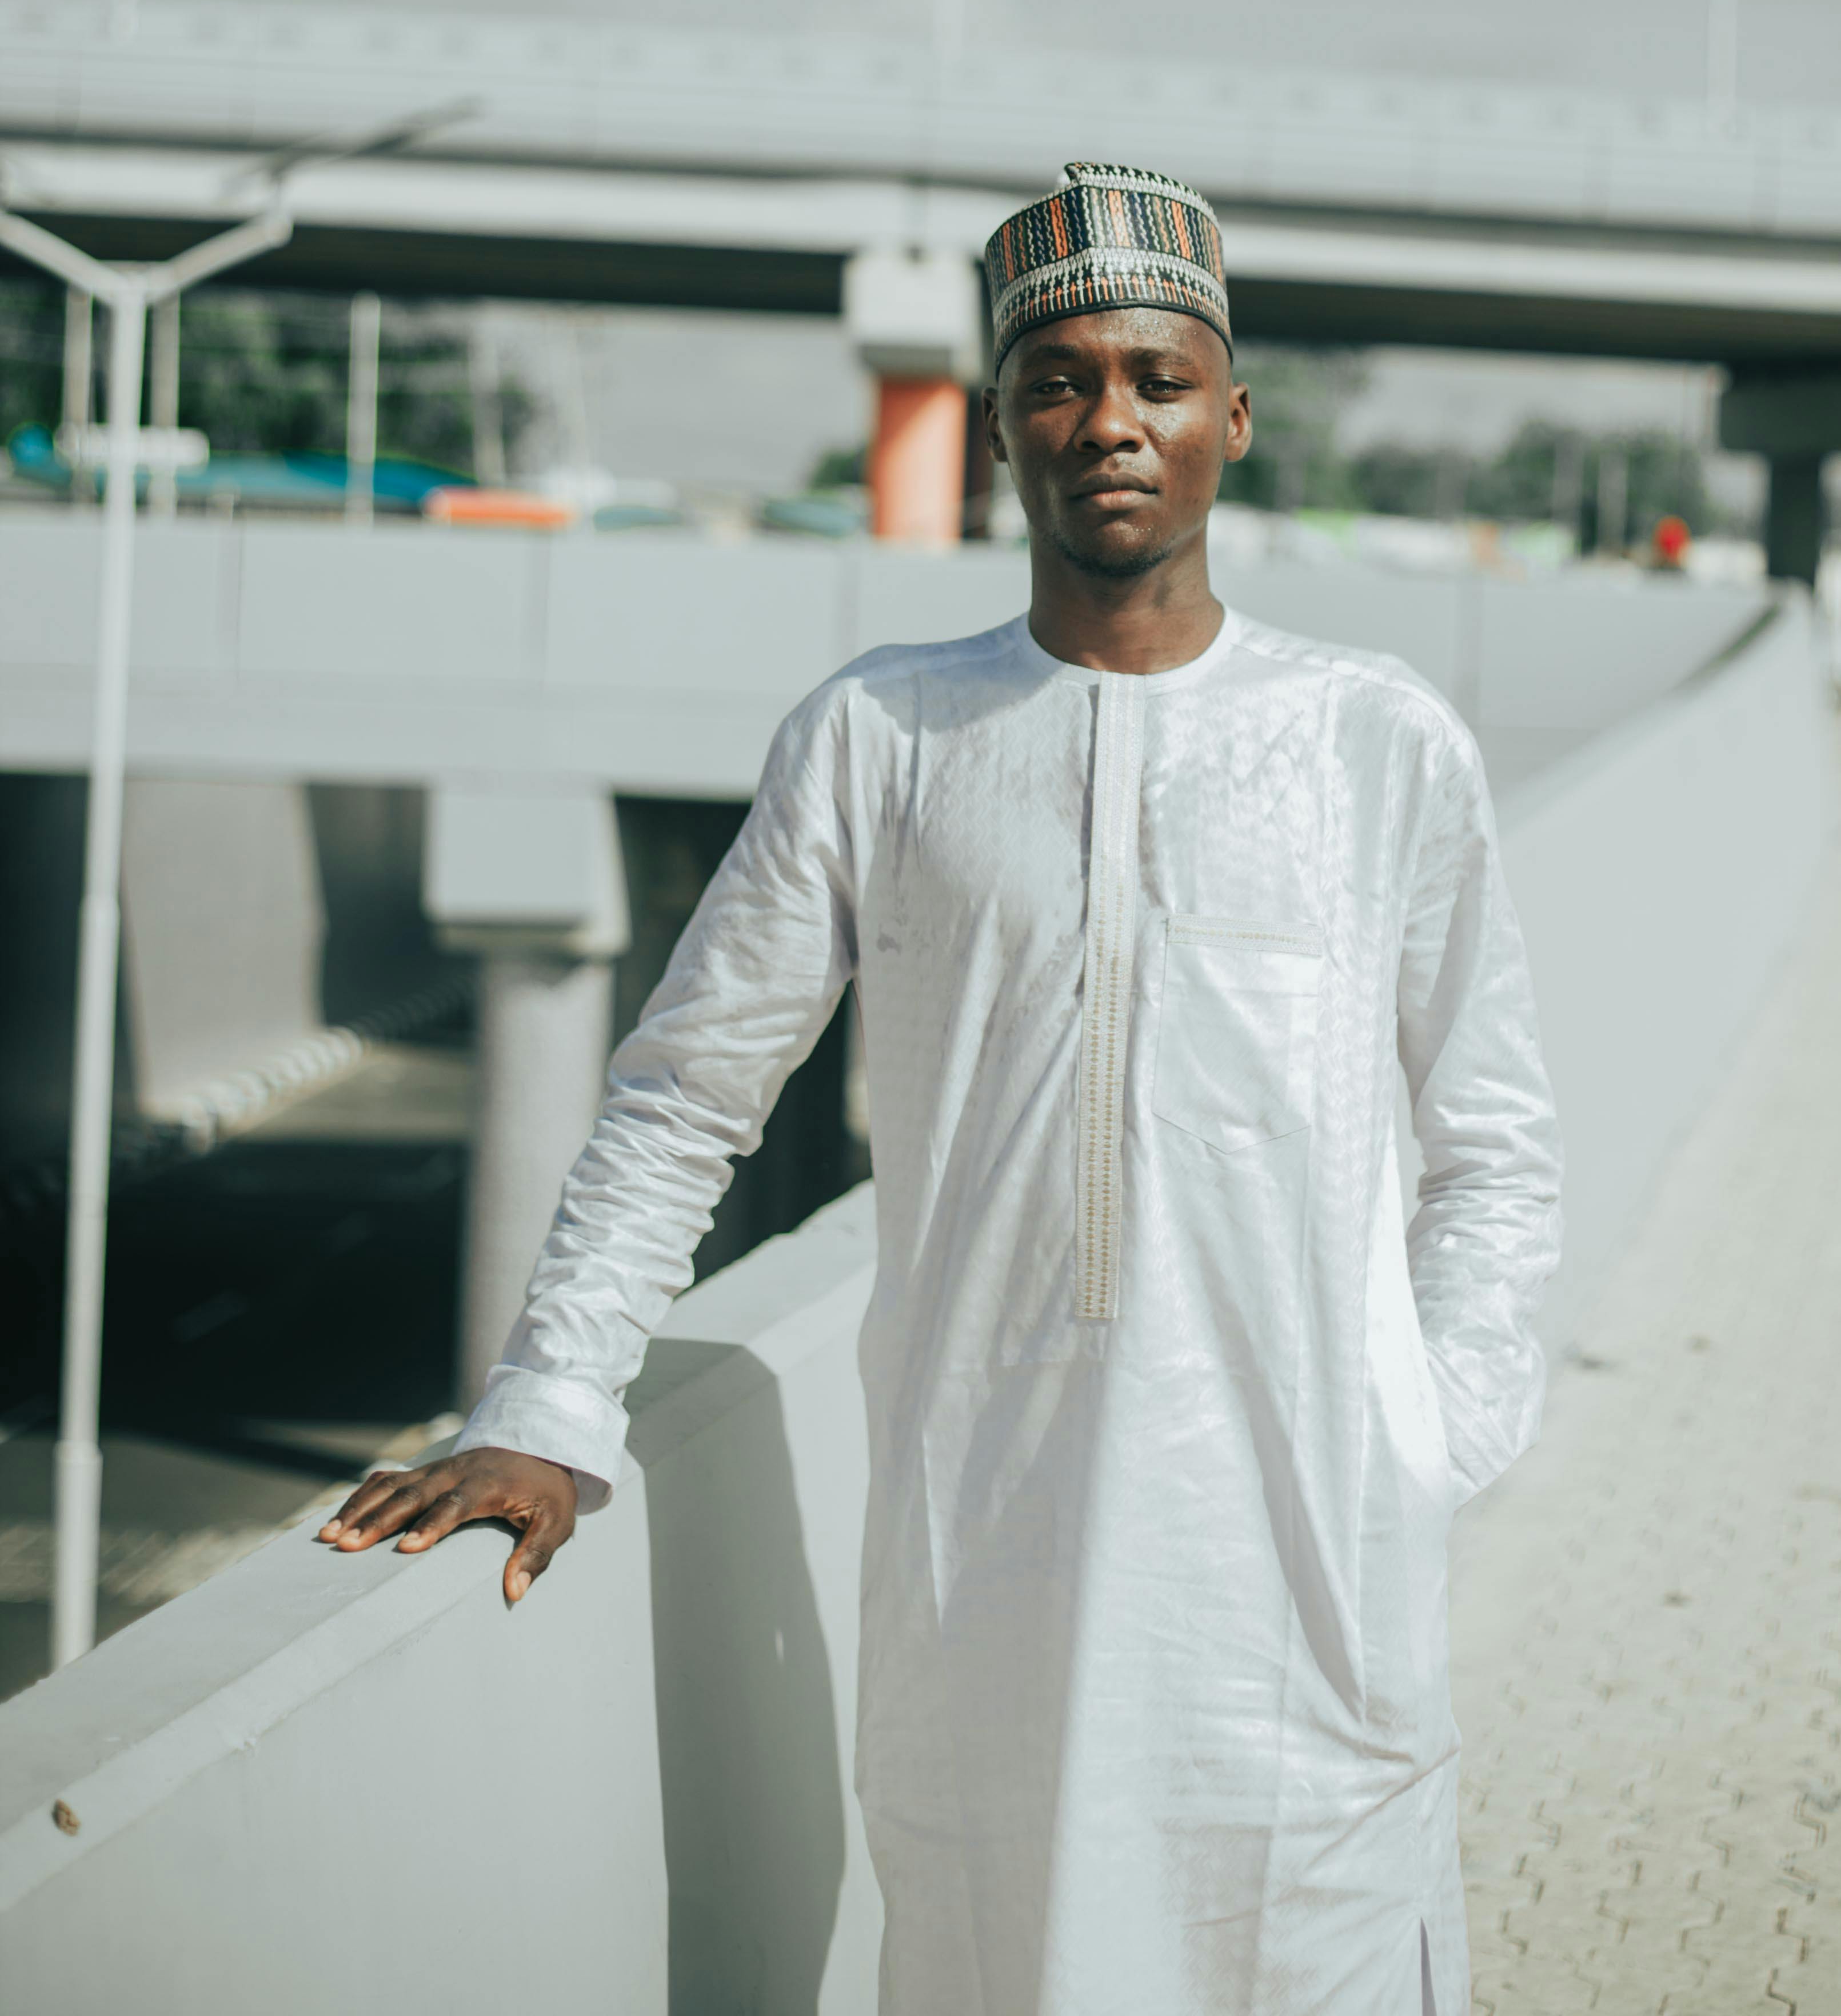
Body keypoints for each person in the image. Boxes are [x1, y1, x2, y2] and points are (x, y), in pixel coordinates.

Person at [322, 158, 1562, 2014]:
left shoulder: (1374, 744)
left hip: (1312, 1590)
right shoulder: (880, 736)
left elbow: (1495, 1143)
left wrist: (1431, 1434)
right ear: (998, 430)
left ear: (1233, 417)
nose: (1110, 422)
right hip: (989, 1569)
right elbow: (685, 1097)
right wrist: (553, 1397)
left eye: (1156, 379)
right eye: (1058, 382)